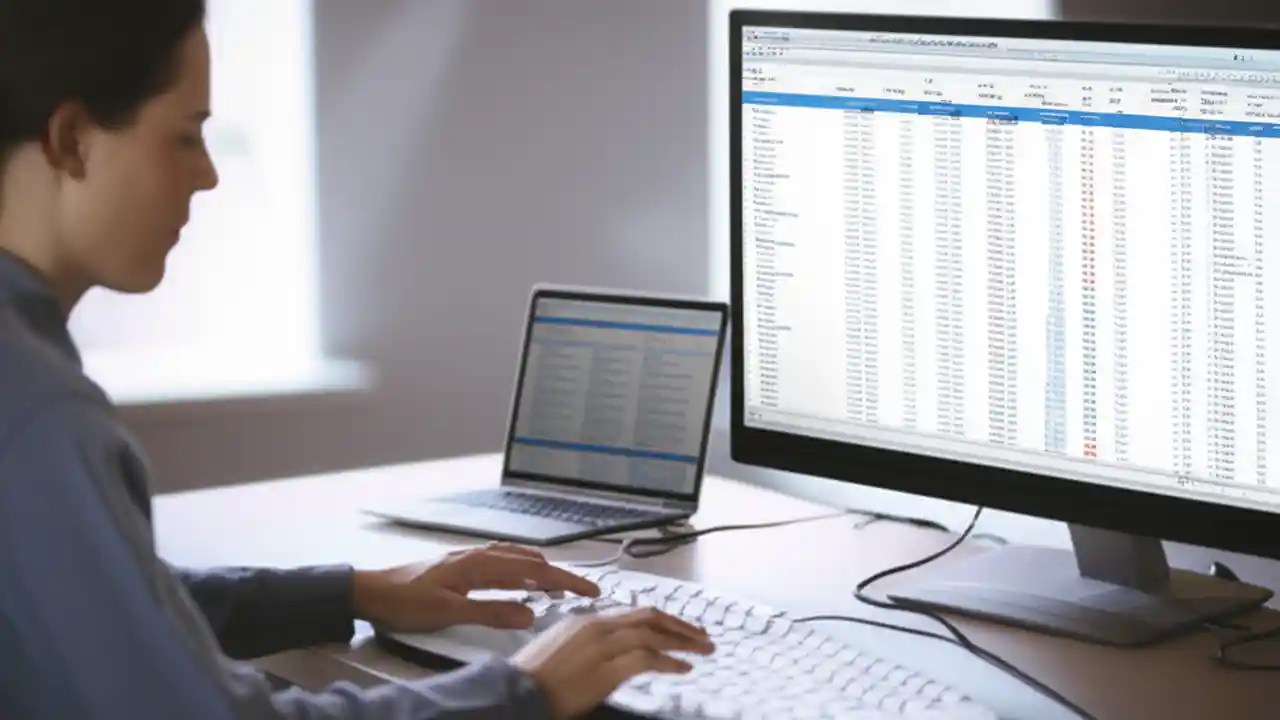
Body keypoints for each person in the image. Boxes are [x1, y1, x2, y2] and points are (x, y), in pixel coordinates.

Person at [0, 1, 714, 718]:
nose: (209, 176)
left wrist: (355, 591)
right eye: (186, 138)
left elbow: (113, 608)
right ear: (71, 141)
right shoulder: (44, 419)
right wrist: (524, 689)